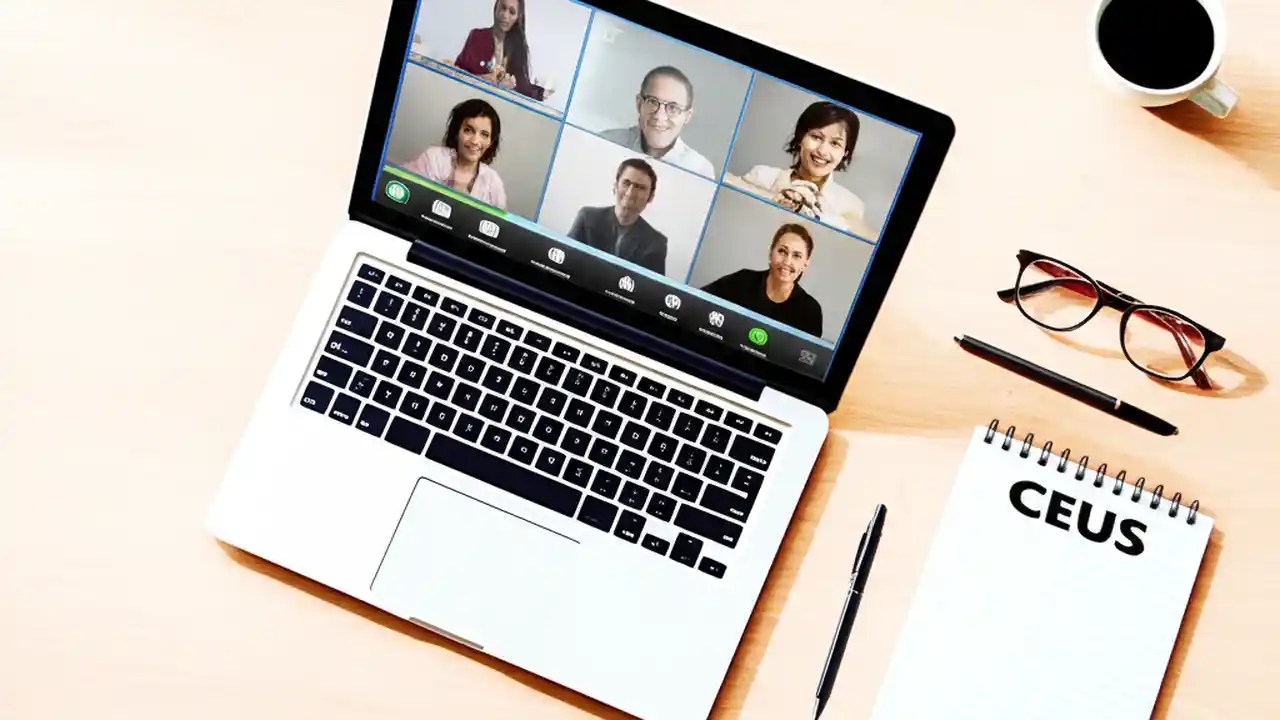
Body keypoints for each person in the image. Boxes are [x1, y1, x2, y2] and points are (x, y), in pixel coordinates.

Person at [725, 101, 872, 238]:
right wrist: (774, 197)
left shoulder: (851, 204)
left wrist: (823, 215)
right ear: (801, 138)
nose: (822, 151)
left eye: (835, 144)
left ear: (845, 153)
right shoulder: (761, 176)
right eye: (816, 137)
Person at [702, 223, 824, 337]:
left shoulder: (810, 310)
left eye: (796, 256)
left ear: (805, 264)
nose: (787, 262)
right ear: (771, 253)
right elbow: (699, 304)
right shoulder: (741, 280)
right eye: (782, 251)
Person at [600, 66, 715, 178]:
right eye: (652, 102)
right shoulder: (604, 143)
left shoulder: (700, 170)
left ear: (687, 116)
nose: (660, 116)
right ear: (639, 104)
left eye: (673, 108)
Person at [567, 159, 668, 274]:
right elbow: (565, 259)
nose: (630, 193)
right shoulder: (587, 218)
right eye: (626, 183)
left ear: (650, 197)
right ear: (615, 186)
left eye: (640, 187)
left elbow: (649, 284)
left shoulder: (656, 243)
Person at [402, 98, 507, 209]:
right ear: (457, 132)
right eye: (468, 130)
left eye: (484, 135)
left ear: (491, 142)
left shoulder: (493, 182)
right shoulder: (434, 158)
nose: (475, 141)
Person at [453, 0, 547, 101]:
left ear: (518, 17)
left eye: (512, 12)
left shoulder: (519, 48)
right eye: (503, 8)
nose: (505, 15)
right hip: (471, 100)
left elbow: (523, 88)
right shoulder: (477, 36)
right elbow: (456, 73)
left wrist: (541, 93)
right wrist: (484, 80)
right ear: (496, 8)